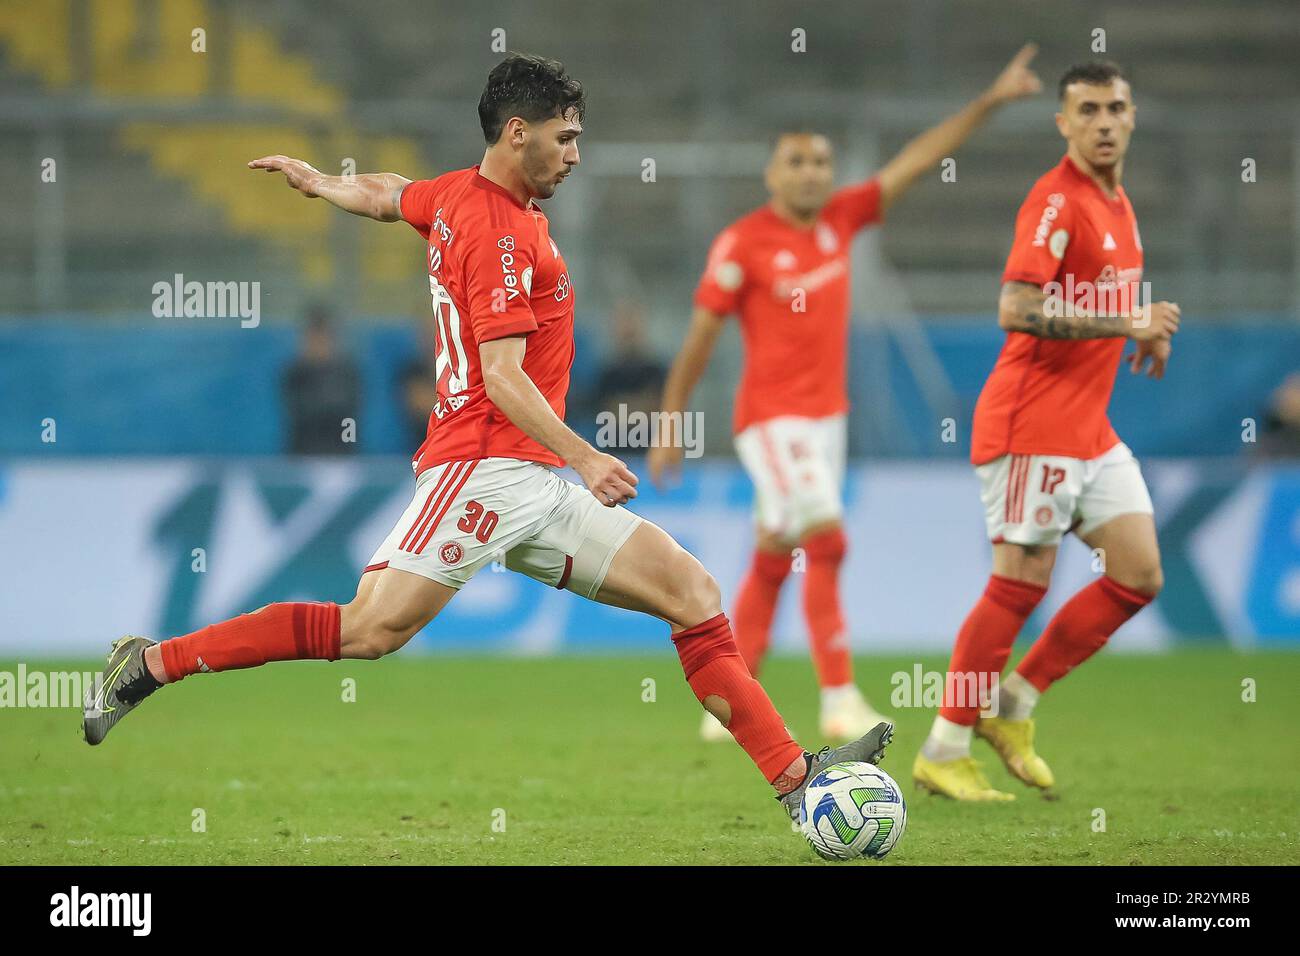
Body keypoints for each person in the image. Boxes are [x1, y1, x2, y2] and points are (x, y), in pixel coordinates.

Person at [81, 53, 890, 831]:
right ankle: (153, 664)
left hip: (531, 480)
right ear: (516, 132)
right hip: (480, 468)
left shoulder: (463, 197)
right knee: (369, 632)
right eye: (564, 137)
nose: (576, 153)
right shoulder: (499, 233)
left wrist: (331, 184)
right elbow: (502, 375)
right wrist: (587, 454)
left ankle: (797, 781)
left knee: (693, 595)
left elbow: (396, 193)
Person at [649, 45, 1043, 743]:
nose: (811, 172)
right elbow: (702, 333)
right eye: (797, 161)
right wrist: (670, 419)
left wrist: (990, 100)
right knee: (826, 541)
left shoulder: (843, 220)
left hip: (828, 421)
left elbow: (917, 161)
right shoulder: (742, 243)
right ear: (773, 173)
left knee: (775, 552)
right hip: (771, 421)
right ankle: (839, 698)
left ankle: (730, 701)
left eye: (821, 162)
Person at [913, 61, 1180, 800]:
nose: (1102, 121)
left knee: (1138, 573)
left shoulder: (1119, 202)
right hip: (1031, 422)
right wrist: (1128, 320)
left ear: (1132, 117)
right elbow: (1016, 307)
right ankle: (942, 748)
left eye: (1115, 108)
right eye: (1087, 109)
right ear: (1063, 123)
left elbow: (1102, 297)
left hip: (1087, 428)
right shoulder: (1056, 199)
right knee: (1019, 585)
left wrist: (1143, 329)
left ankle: (1015, 704)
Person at [281, 306, 362, 455]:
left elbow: (346, 414)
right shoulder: (294, 374)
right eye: (313, 338)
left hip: (342, 454)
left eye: (323, 338)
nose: (318, 344)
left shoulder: (349, 373)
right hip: (302, 455)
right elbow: (303, 413)